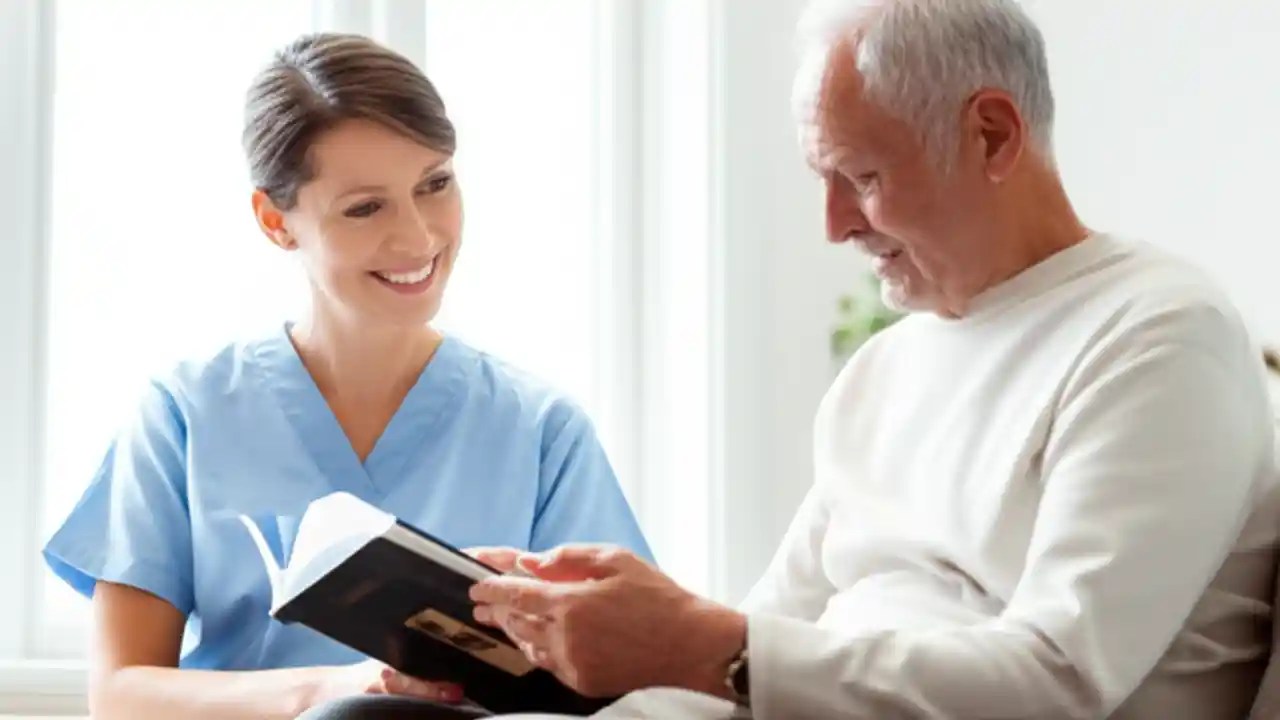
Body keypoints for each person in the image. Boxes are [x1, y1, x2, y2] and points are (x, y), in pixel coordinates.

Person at [464, 0, 1280, 718]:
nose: (834, 224)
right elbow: (758, 645)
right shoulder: (883, 371)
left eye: (861, 176)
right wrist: (557, 650)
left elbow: (1060, 681)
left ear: (991, 134)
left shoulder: (1160, 334)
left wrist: (702, 645)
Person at [41, 32, 652, 720]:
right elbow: (122, 696)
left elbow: (618, 687)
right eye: (366, 207)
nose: (418, 237)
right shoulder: (186, 414)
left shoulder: (540, 431)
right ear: (277, 222)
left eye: (436, 184)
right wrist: (335, 687)